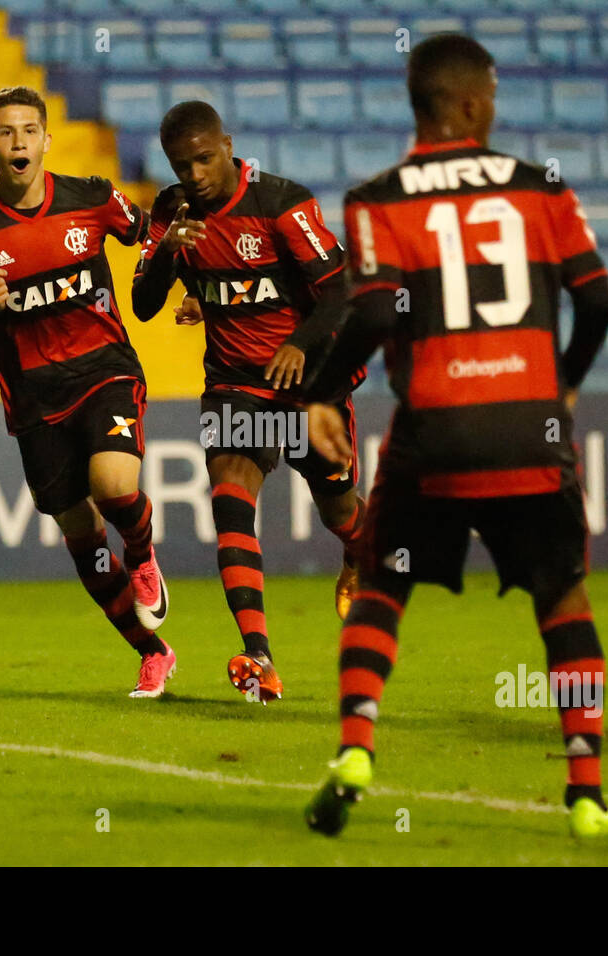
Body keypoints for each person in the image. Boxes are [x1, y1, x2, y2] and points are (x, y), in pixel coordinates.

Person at [302, 35, 608, 838]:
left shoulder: (378, 197)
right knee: (563, 599)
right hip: (530, 428)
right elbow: (599, 301)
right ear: (477, 103)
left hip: (435, 433)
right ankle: (586, 792)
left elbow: (374, 312)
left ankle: (356, 748)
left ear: (418, 103)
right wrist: (567, 384)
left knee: (380, 584)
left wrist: (318, 393)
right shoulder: (541, 188)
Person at [0, 86, 174, 698]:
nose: (19, 142)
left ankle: (143, 557)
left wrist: (183, 281)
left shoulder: (92, 198)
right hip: (34, 397)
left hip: (104, 372)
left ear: (46, 139)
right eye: (6, 132)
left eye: (29, 130)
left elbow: (152, 235)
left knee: (115, 485)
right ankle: (152, 652)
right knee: (80, 535)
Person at [132, 101, 368, 704]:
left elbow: (342, 291)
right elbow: (143, 303)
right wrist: (165, 254)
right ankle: (258, 654)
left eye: (207, 159)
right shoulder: (170, 210)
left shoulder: (282, 203)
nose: (197, 174)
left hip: (309, 383)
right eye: (183, 165)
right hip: (235, 382)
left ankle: (357, 554)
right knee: (231, 499)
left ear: (229, 145)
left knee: (341, 513)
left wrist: (296, 343)